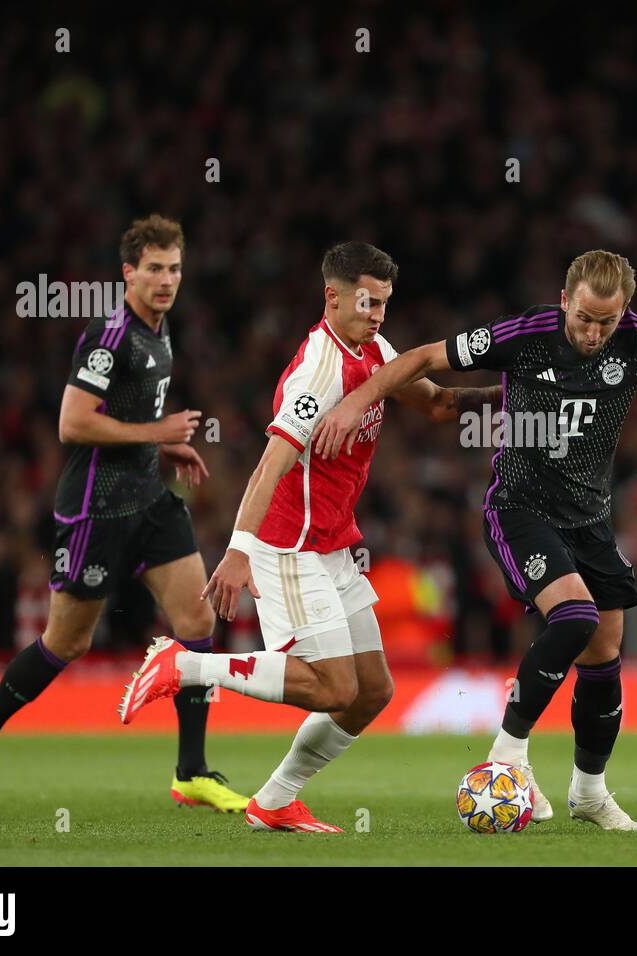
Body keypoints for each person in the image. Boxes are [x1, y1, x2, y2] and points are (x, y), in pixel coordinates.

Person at [310, 250, 637, 830]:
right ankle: (508, 753)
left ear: (624, 313)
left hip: (590, 522)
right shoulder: (527, 333)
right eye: (584, 318)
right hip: (520, 509)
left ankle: (589, 792)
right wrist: (358, 402)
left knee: (606, 654)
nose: (593, 332)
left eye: (606, 322)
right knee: (576, 617)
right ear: (565, 300)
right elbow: (427, 357)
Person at [118, 241, 497, 833]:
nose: (377, 314)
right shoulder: (319, 369)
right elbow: (270, 463)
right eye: (367, 302)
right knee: (333, 687)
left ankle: (273, 801)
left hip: (332, 544)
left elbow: (441, 405)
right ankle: (187, 667)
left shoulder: (373, 348)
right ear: (334, 296)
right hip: (287, 546)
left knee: (372, 690)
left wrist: (514, 393)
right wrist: (240, 552)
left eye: (385, 304)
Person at [0, 215, 247, 812]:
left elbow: (125, 420)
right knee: (68, 641)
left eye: (175, 268)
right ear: (128, 273)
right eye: (155, 269)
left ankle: (192, 770)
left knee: (197, 621)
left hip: (150, 501)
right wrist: (156, 430)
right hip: (96, 509)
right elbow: (72, 422)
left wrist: (162, 446)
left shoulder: (161, 331)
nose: (167, 280)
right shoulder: (111, 336)